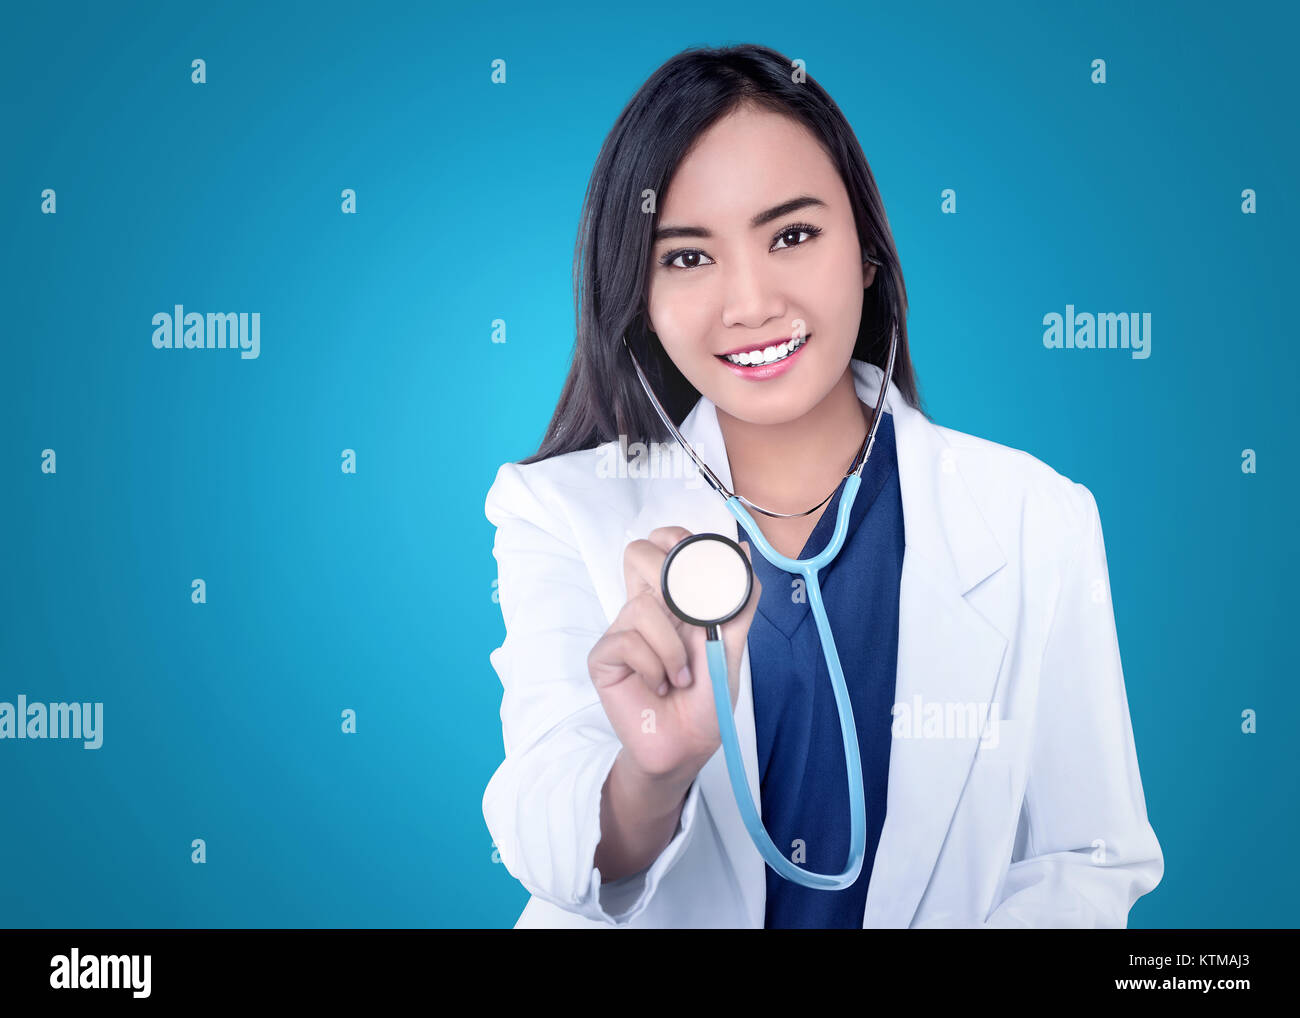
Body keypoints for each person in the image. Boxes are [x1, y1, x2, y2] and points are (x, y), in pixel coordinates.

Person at [482, 43, 1163, 928]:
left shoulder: (1036, 517)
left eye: (793, 235)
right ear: (639, 295)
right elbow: (547, 842)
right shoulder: (561, 509)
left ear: (867, 255)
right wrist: (655, 771)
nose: (751, 301)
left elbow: (1086, 858)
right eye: (688, 258)